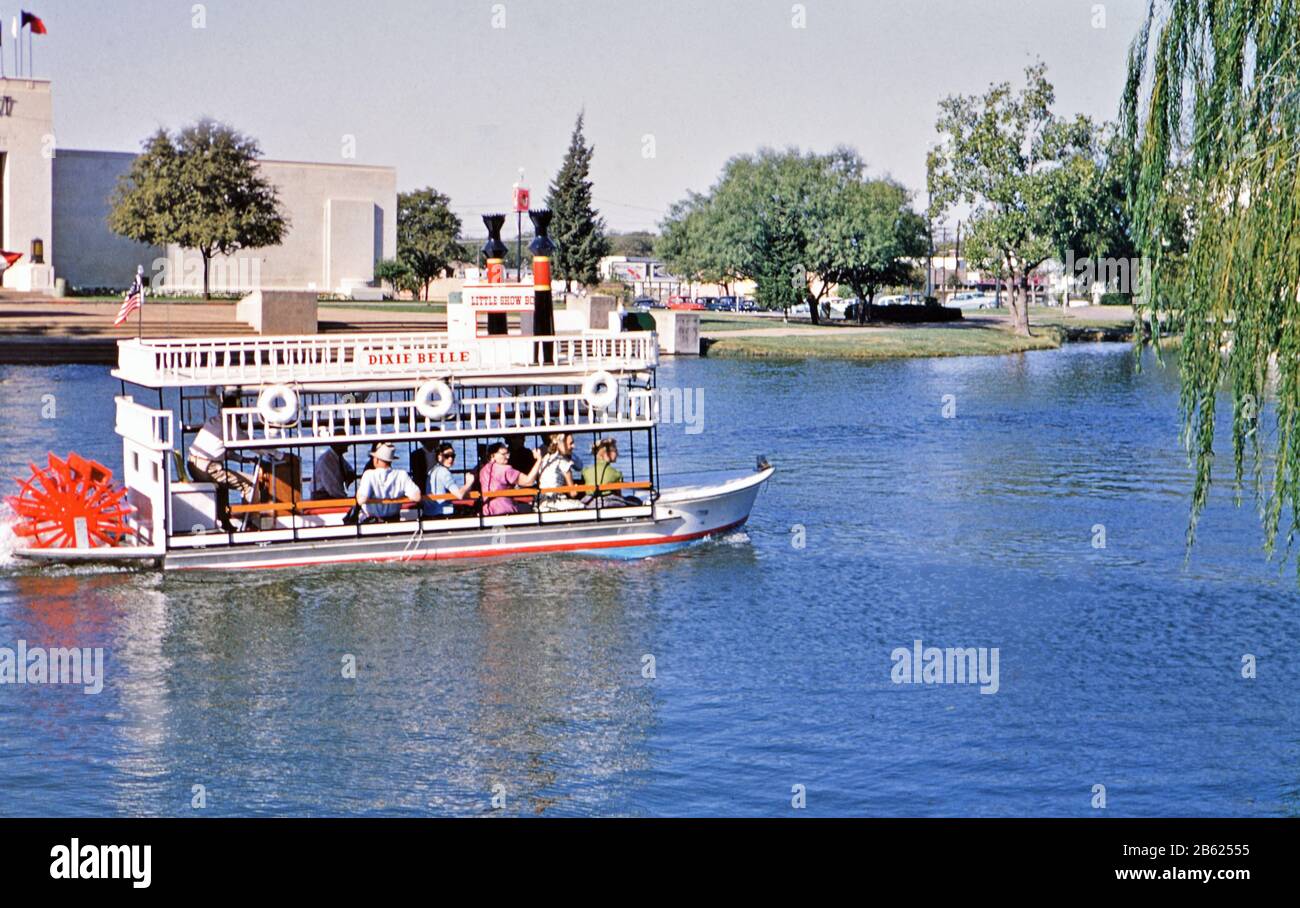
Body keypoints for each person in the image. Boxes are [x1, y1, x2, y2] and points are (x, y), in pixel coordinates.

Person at [187, 390, 258, 531]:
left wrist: (243, 460)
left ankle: (224, 521)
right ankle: (249, 522)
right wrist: (275, 453)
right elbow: (248, 442)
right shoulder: (229, 425)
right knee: (250, 483)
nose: (242, 414)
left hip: (193, 465)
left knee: (223, 485)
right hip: (207, 468)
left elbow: (222, 451)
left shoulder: (214, 421)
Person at [355, 443, 421, 522]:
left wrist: (358, 493)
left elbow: (361, 500)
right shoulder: (401, 475)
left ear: (376, 460)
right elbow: (417, 497)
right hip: (394, 520)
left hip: (373, 523)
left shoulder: (369, 475)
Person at [479, 441, 542, 515]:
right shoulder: (505, 469)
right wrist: (539, 460)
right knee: (532, 509)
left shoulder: (483, 470)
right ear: (493, 456)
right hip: (506, 510)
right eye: (503, 454)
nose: (508, 457)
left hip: (487, 511)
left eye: (508, 453)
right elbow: (528, 481)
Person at [582, 437, 638, 507]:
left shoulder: (586, 471)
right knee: (635, 501)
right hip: (608, 502)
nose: (618, 454)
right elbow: (619, 494)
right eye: (615, 450)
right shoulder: (616, 473)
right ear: (607, 453)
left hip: (590, 502)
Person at [537, 433, 584, 511]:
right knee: (582, 506)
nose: (574, 446)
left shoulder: (545, 459)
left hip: (541, 502)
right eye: (571, 443)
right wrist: (578, 488)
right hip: (555, 502)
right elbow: (573, 493)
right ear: (562, 444)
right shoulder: (563, 462)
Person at [423, 442, 472, 517]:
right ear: (439, 457)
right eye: (447, 456)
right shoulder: (444, 472)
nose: (450, 458)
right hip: (442, 513)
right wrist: (469, 482)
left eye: (453, 456)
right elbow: (459, 495)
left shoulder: (432, 470)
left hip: (429, 513)